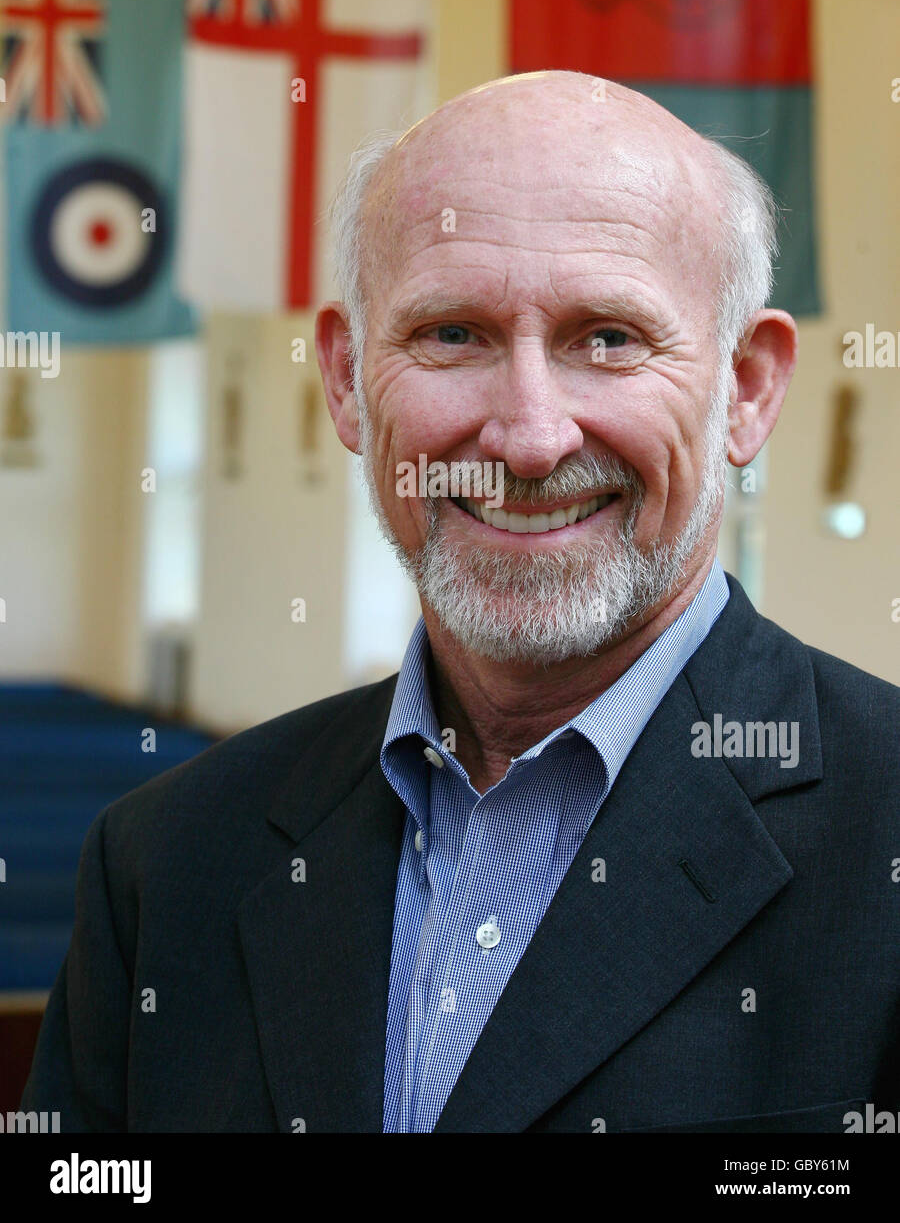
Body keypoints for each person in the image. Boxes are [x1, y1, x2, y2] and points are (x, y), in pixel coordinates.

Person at [22, 72, 899, 1133]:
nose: (530, 438)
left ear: (747, 387)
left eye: (610, 338)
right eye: (452, 335)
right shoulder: (166, 861)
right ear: (347, 380)